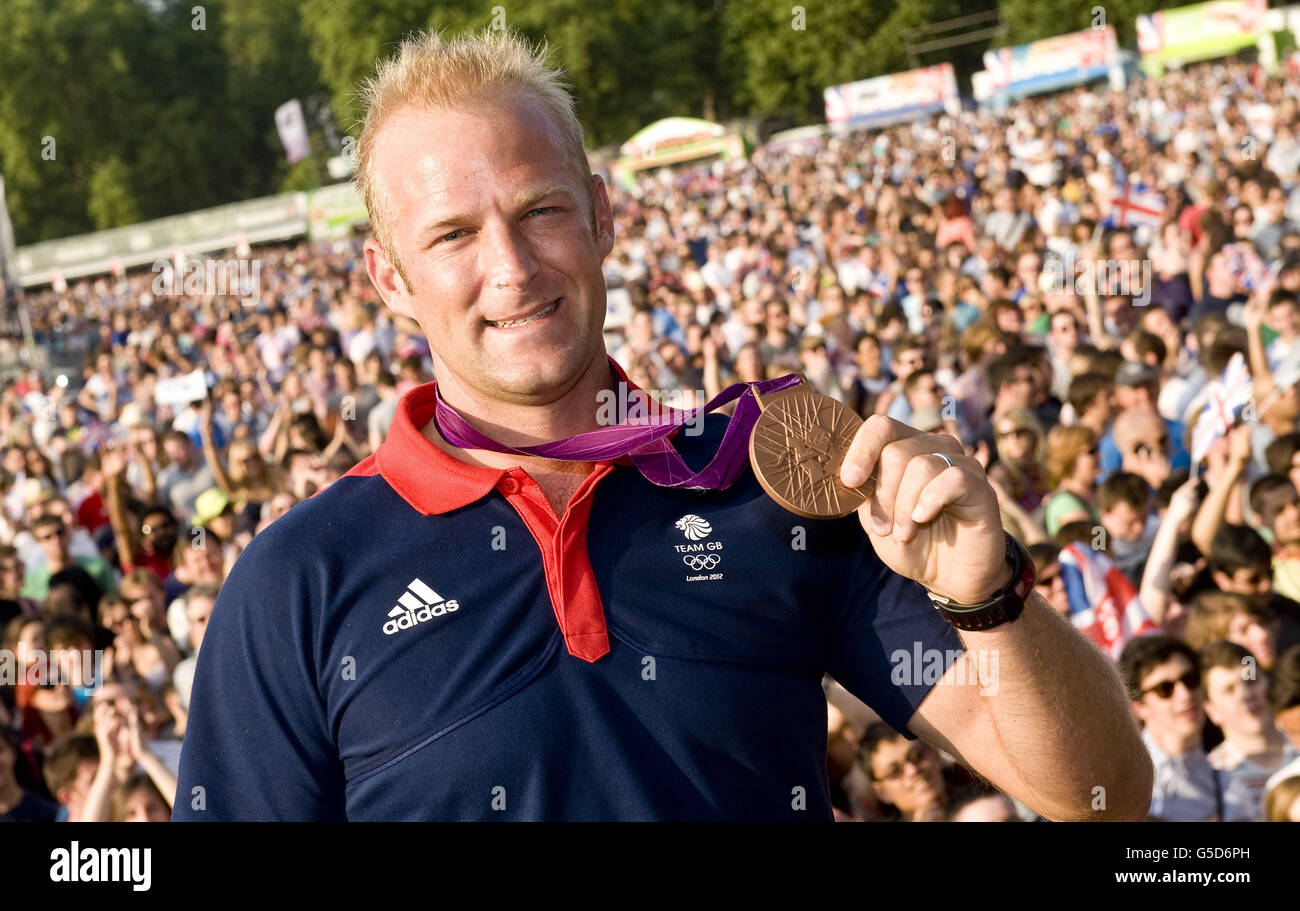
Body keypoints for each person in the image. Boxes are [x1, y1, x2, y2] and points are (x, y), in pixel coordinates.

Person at [174, 28, 1149, 822]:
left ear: (601, 218)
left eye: (540, 210)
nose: (511, 268)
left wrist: (987, 597)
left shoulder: (768, 487)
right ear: (390, 278)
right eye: (454, 234)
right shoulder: (295, 584)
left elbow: (1098, 795)